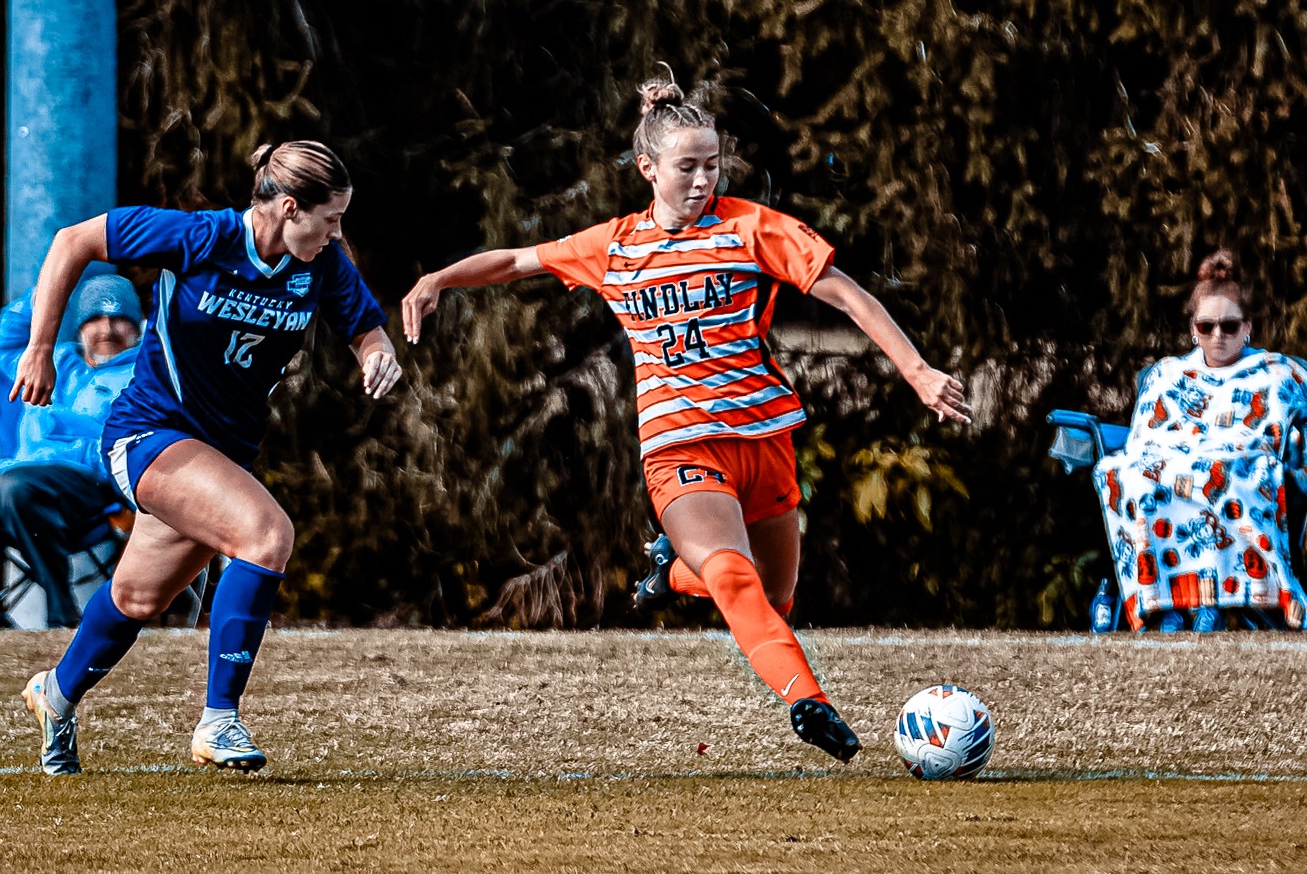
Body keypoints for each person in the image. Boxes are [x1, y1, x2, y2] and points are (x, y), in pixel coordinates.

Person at [402, 75, 970, 763]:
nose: (703, 180)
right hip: (679, 446)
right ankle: (808, 701)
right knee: (733, 579)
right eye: (687, 167)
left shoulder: (750, 229)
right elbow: (518, 261)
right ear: (648, 168)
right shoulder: (613, 246)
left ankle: (673, 572)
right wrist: (438, 280)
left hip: (764, 439)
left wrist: (918, 372)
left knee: (772, 599)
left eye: (713, 165)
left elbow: (847, 295)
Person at [12, 140, 402, 775]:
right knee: (267, 535)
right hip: (147, 434)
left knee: (137, 599)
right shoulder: (199, 236)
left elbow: (366, 328)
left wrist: (376, 355)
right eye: (331, 219)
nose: (337, 233)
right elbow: (71, 241)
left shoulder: (322, 264)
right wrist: (39, 347)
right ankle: (219, 719)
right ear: (289, 208)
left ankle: (54, 694)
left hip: (221, 455)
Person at [0, 274, 143, 629]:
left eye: (119, 319)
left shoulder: (143, 376)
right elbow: (4, 344)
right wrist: (44, 295)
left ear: (137, 328)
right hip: (13, 478)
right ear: (80, 328)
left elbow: (127, 444)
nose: (107, 329)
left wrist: (65, 421)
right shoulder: (54, 360)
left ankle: (61, 607)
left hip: (87, 487)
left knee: (18, 486)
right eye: (96, 319)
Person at [1093, 249, 1307, 633]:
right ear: (1194, 329)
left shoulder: (1276, 372)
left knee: (1230, 477)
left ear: (1247, 327)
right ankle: (1164, 605)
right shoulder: (1168, 375)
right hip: (1169, 461)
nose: (1218, 335)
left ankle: (1212, 602)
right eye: (1207, 326)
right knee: (1123, 473)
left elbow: (1280, 433)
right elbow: (1143, 437)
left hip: (1239, 462)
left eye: (1229, 325)